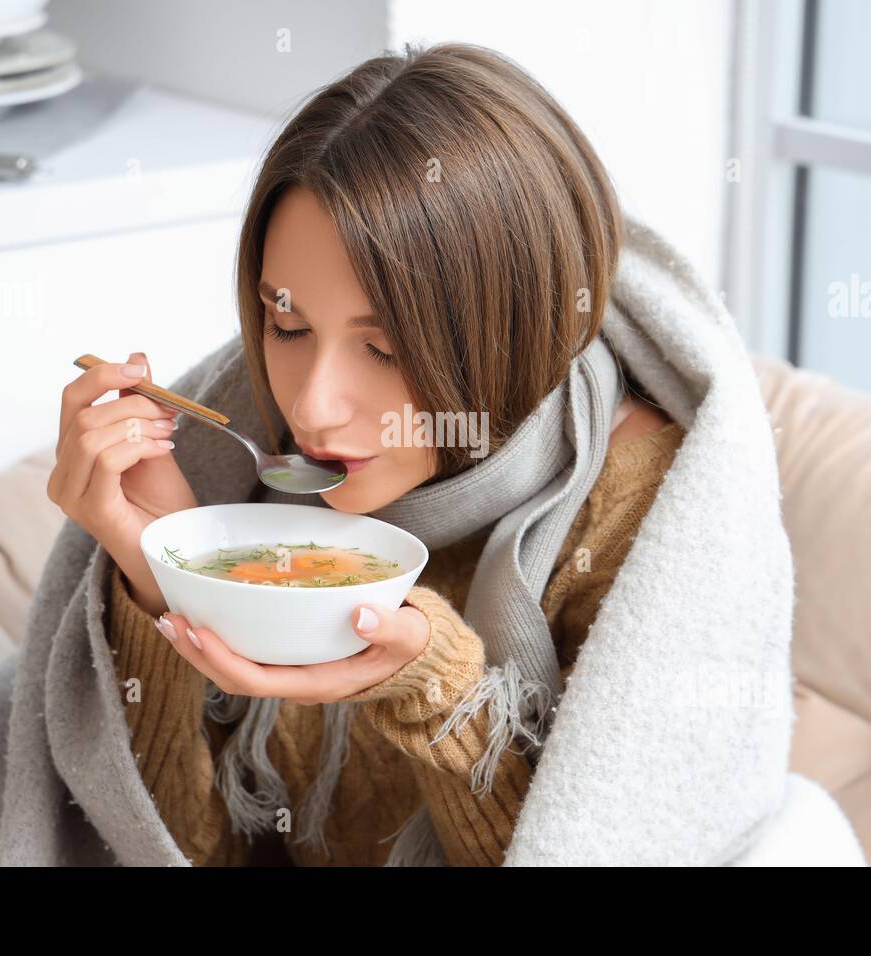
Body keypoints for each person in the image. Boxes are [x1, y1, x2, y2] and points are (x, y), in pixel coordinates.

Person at [46, 42, 687, 865]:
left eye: (383, 350)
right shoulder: (236, 433)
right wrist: (163, 564)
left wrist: (430, 683)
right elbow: (187, 853)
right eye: (288, 327)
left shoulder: (643, 518)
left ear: (522, 325)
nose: (309, 407)